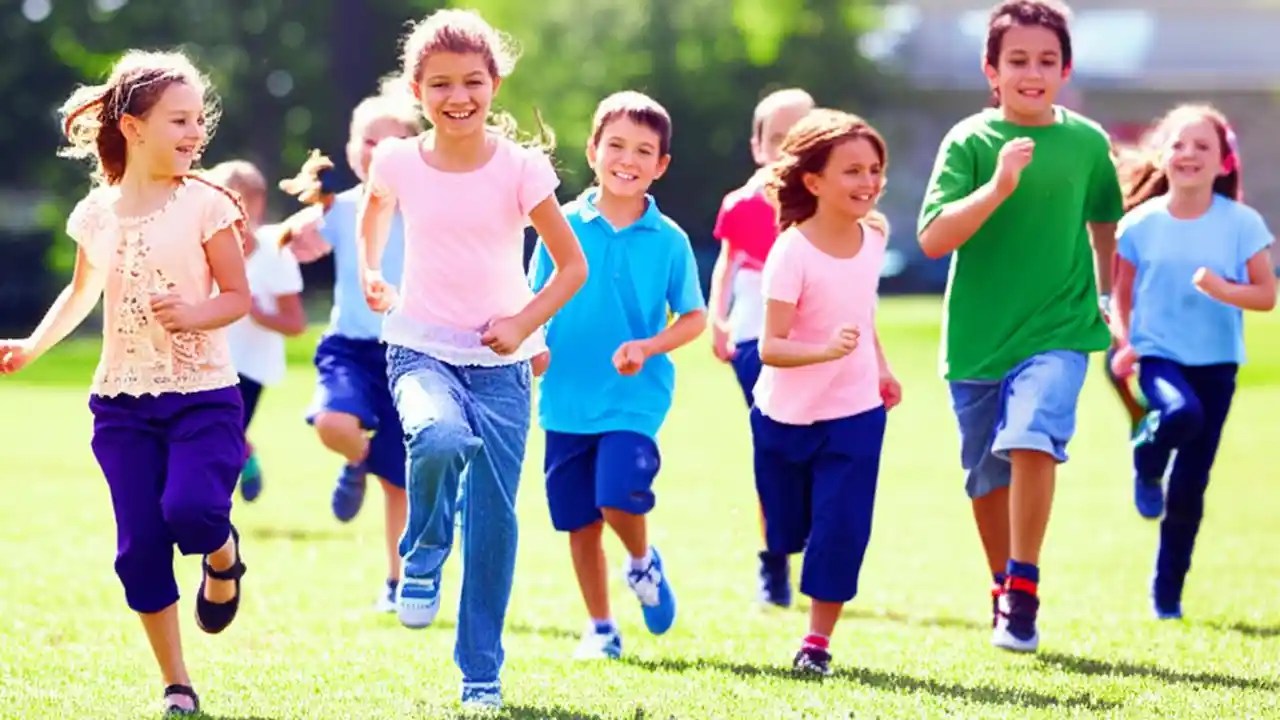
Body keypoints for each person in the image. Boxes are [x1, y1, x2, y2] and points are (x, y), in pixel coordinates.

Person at [0, 50, 251, 716]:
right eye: (179, 120)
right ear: (133, 126)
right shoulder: (97, 213)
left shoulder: (206, 204)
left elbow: (237, 296)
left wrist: (195, 314)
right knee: (139, 551)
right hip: (121, 405)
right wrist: (31, 345)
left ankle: (223, 555)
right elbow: (82, 292)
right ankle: (178, 683)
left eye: (200, 120)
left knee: (193, 511)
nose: (195, 133)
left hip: (203, 396)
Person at [356, 8, 587, 709]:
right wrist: (372, 270)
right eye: (441, 85)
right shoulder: (397, 159)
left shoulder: (521, 168)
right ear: (416, 90)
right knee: (437, 436)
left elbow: (571, 267)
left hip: (502, 367)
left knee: (493, 519)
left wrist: (523, 324)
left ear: (495, 83)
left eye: (473, 82)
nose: (458, 97)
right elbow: (375, 211)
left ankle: (480, 671)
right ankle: (422, 554)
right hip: (419, 346)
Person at [916, 0, 1123, 653]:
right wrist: (998, 187)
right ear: (991, 70)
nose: (1032, 73)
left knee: (1032, 436)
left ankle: (1025, 585)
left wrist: (1107, 293)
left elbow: (1104, 222)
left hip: (1061, 327)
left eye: (1046, 61)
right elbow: (931, 238)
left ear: (1065, 69)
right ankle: (1003, 587)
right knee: (985, 476)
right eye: (1017, 61)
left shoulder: (1088, 143)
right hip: (978, 338)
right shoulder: (970, 142)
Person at [530, 91, 705, 660]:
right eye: (617, 145)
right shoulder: (560, 226)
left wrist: (650, 346)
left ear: (662, 166)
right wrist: (532, 348)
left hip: (635, 397)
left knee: (618, 495)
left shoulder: (671, 240)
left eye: (644, 150)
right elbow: (535, 301)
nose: (627, 159)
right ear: (593, 150)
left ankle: (641, 562)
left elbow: (695, 316)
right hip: (564, 399)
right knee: (580, 522)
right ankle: (601, 627)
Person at [1109, 104, 1275, 618]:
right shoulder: (1139, 225)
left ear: (1223, 163)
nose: (1188, 154)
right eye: (1178, 143)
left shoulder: (1242, 224)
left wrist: (1224, 289)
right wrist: (1125, 342)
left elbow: (1266, 295)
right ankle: (1146, 458)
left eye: (1203, 146)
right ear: (1162, 154)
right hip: (1158, 354)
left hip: (1218, 364)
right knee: (1180, 415)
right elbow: (1120, 295)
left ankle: (1167, 594)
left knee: (1190, 485)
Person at [752, 108, 900, 676]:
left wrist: (879, 367)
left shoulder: (875, 238)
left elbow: (862, 312)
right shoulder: (791, 252)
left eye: (875, 169)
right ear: (813, 182)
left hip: (856, 411)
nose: (869, 182)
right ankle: (784, 559)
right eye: (854, 171)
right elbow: (770, 345)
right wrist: (824, 353)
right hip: (784, 417)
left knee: (842, 528)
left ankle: (816, 643)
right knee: (789, 530)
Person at [276, 79, 420, 612]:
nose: (376, 150)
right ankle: (357, 457)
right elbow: (297, 241)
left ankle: (397, 582)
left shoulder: (426, 207)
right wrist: (297, 236)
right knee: (334, 423)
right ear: (351, 150)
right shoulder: (340, 206)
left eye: (389, 141)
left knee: (398, 484)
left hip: (408, 351)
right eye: (366, 140)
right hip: (350, 348)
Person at [707, 87, 815, 608]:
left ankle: (813, 539)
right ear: (757, 145)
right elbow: (727, 263)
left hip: (817, 345)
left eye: (799, 139)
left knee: (815, 446)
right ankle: (773, 560)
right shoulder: (742, 203)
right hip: (754, 339)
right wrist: (717, 319)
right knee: (771, 445)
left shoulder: (827, 206)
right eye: (777, 140)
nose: (786, 151)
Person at [205, 160, 306, 503]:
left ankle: (240, 462)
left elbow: (296, 324)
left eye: (243, 201)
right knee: (210, 436)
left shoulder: (274, 254)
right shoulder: (201, 249)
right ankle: (237, 463)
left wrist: (260, 315)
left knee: (223, 436)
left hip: (251, 366)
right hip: (208, 361)